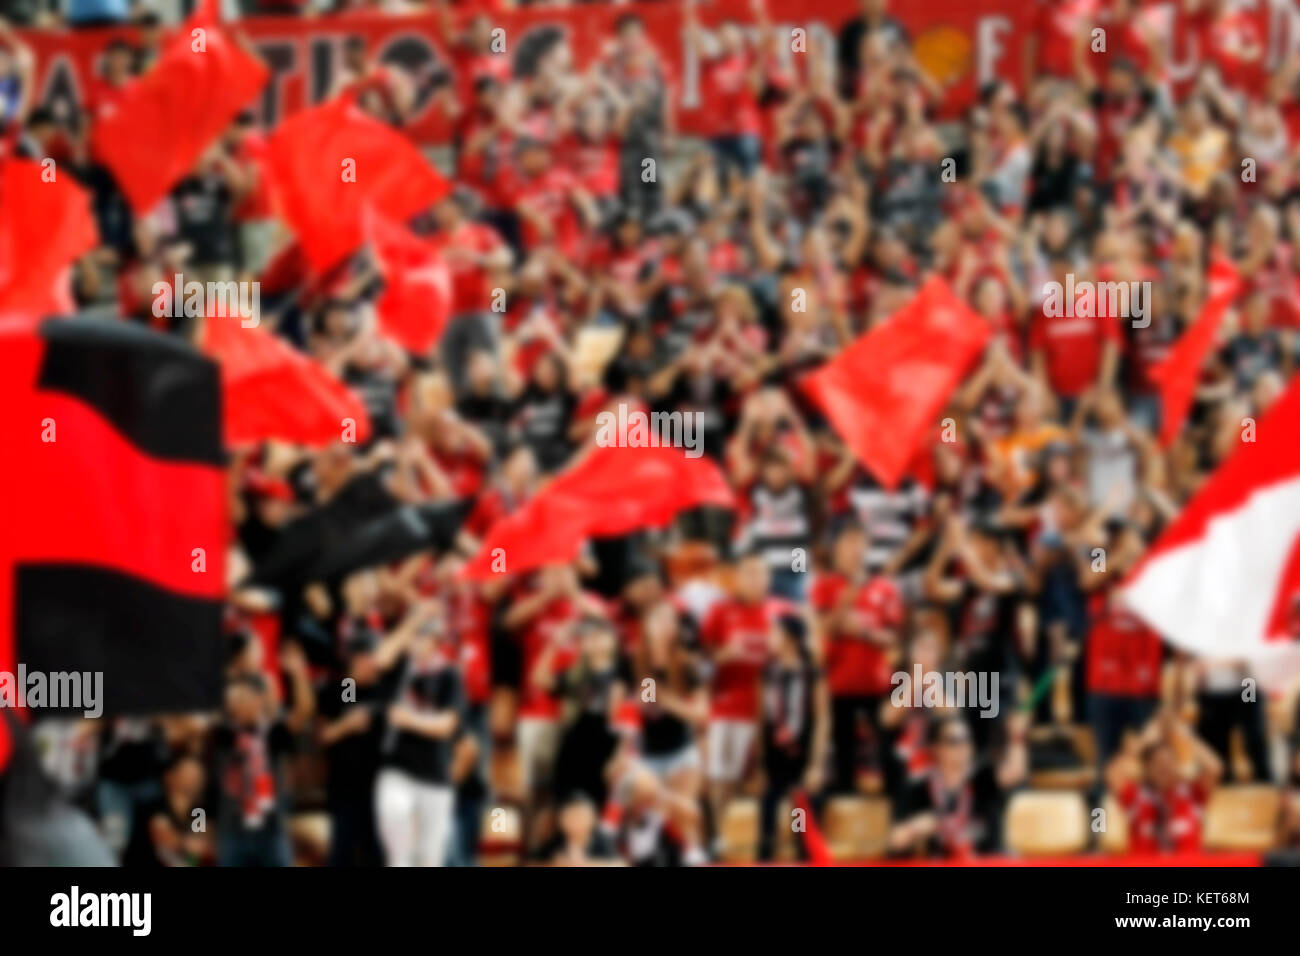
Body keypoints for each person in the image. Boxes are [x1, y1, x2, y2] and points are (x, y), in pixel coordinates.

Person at [374, 609, 466, 867]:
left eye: (423, 636)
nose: (416, 642)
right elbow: (380, 657)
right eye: (414, 637)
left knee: (430, 856)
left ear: (436, 641)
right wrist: (412, 621)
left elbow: (447, 724)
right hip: (397, 769)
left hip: (434, 773)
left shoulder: (449, 674)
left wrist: (409, 720)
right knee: (399, 852)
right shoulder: (400, 670)